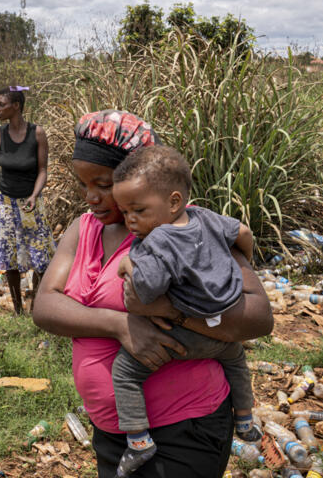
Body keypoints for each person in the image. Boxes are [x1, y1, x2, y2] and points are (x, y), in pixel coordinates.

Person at [32, 110, 273, 478]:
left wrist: (173, 312)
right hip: (117, 434)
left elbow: (258, 317)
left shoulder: (188, 229)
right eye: (84, 185)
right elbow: (45, 305)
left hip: (185, 428)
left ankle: (242, 418)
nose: (91, 198)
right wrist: (119, 324)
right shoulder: (84, 229)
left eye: (103, 184)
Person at [109, 145, 260, 477]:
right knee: (235, 359)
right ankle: (246, 417)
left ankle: (138, 442)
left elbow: (147, 292)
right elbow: (244, 234)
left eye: (138, 210)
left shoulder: (158, 241)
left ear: (174, 201)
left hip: (183, 334)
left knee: (124, 373)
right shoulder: (205, 217)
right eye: (124, 212)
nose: (130, 220)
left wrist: (128, 265)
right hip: (221, 329)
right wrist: (242, 262)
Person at [0, 86, 54, 314]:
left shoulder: (37, 134)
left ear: (16, 106)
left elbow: (43, 170)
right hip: (6, 203)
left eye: (1, 104)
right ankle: (18, 310)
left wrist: (35, 196)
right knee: (10, 259)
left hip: (30, 204)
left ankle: (37, 305)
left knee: (39, 257)